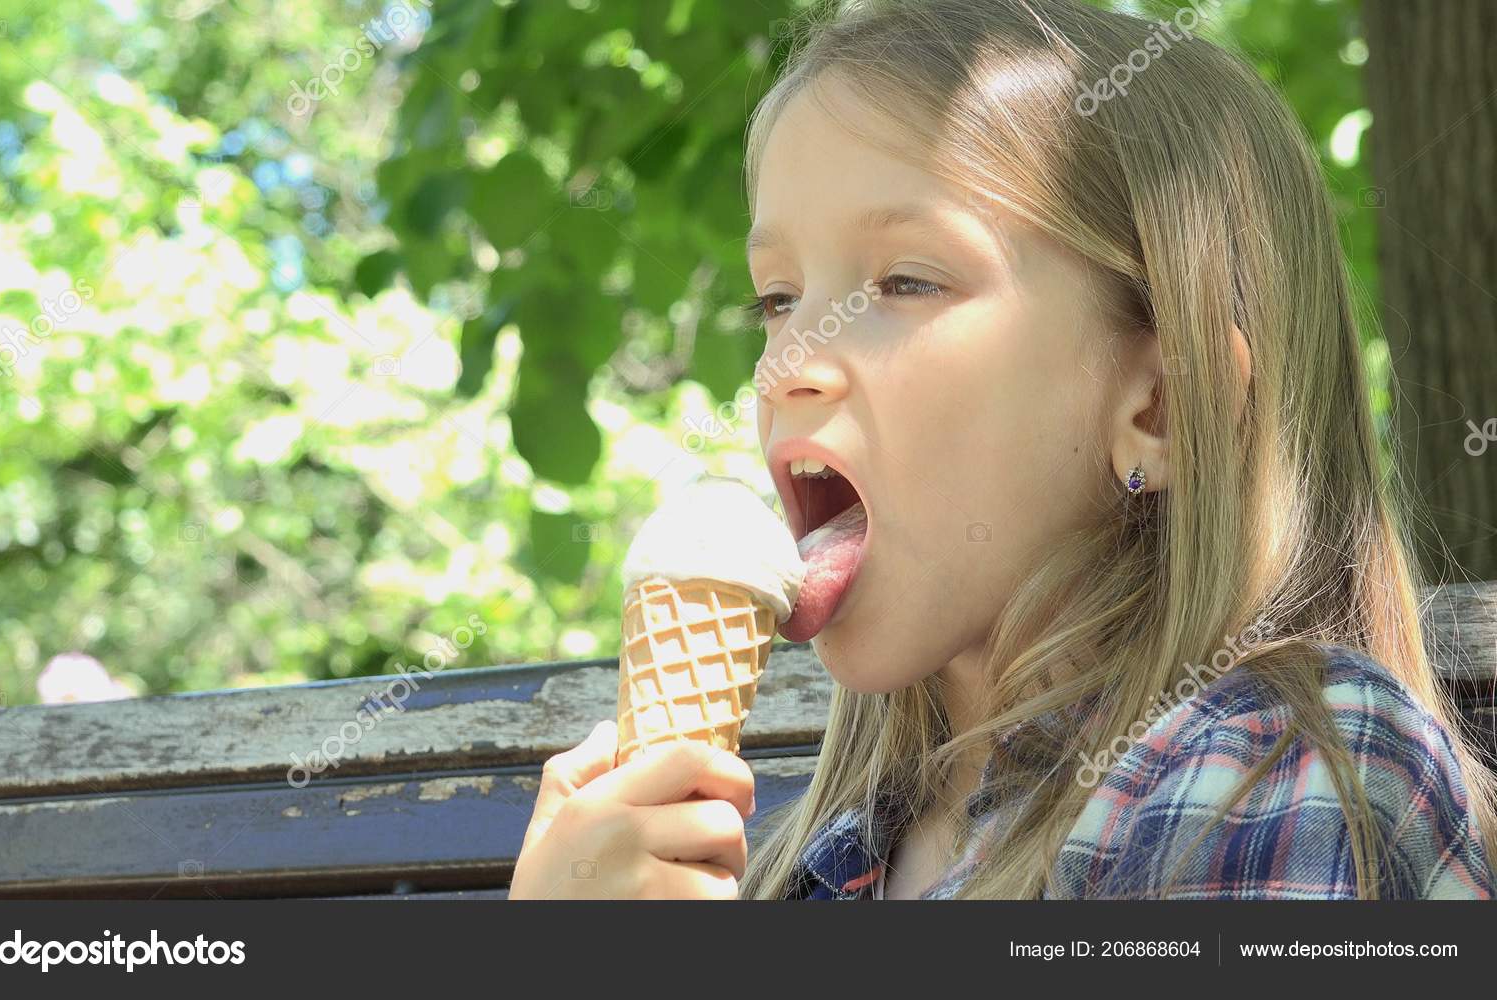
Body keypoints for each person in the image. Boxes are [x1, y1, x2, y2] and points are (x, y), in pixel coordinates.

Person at [507, 0, 1495, 900]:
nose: (786, 366)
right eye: (775, 299)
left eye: (901, 281)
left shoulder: (1276, 771)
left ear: (1160, 407)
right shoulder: (831, 861)